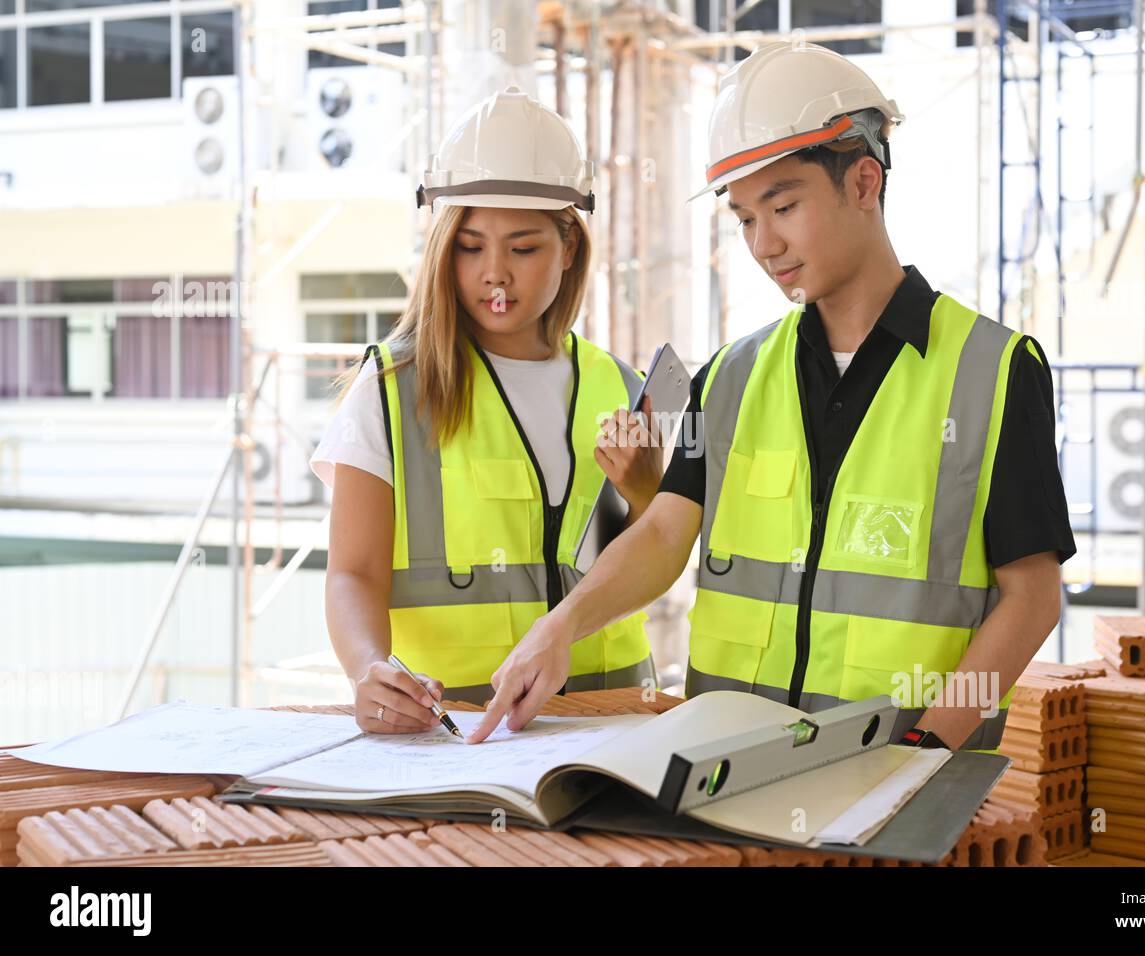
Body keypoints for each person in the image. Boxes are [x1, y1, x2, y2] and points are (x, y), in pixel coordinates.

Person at [466, 42, 1077, 749]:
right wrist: (560, 626)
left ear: (864, 182)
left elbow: (1031, 597)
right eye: (746, 219)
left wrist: (930, 748)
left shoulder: (994, 371)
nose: (764, 243)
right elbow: (665, 532)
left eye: (783, 206)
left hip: (901, 783)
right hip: (724, 774)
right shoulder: (728, 377)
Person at [310, 87, 664, 735]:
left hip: (615, 733)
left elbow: (648, 556)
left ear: (569, 250)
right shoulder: (392, 389)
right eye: (471, 246)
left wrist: (645, 492)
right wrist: (368, 670)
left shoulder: (620, 383)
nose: (495, 273)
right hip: (457, 739)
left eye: (523, 248)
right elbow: (352, 574)